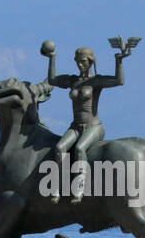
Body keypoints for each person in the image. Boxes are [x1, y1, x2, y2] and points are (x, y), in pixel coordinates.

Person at [41, 39, 129, 201]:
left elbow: (119, 81)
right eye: (78, 62)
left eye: (83, 62)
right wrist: (52, 57)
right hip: (75, 126)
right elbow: (53, 79)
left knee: (80, 148)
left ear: (90, 62)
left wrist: (119, 62)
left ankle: (79, 187)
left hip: (93, 127)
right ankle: (58, 187)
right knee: (60, 148)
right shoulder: (73, 81)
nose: (80, 65)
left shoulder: (96, 81)